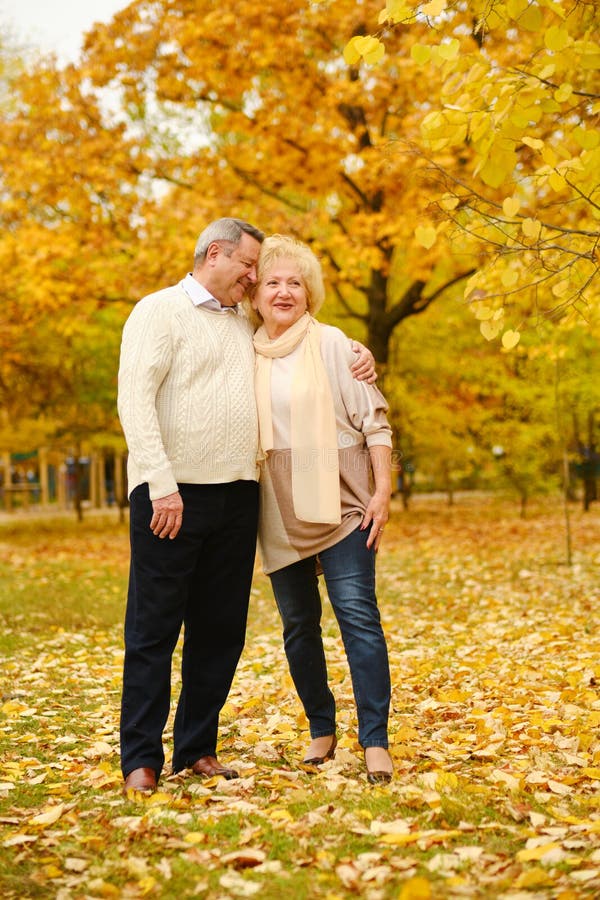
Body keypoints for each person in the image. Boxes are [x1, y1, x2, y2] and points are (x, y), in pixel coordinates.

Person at [117, 218, 376, 795]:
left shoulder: (244, 321)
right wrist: (160, 483)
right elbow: (134, 400)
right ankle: (140, 757)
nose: (255, 279)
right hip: (171, 496)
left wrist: (358, 354)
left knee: (220, 629)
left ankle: (196, 748)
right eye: (249, 266)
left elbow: (304, 339)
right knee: (154, 628)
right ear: (216, 253)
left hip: (239, 496)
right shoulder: (157, 312)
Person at [249, 235, 394, 784]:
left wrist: (381, 493)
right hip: (277, 506)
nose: (284, 291)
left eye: (295, 282)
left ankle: (375, 740)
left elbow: (374, 423)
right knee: (298, 627)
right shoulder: (246, 350)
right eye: (272, 282)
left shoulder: (336, 346)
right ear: (256, 296)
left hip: (343, 500)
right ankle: (321, 728)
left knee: (358, 617)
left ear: (310, 293)